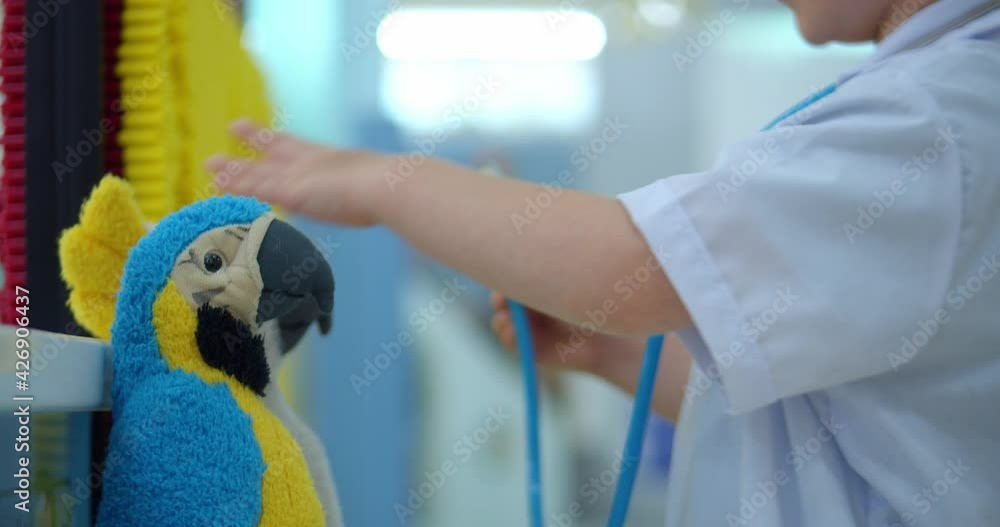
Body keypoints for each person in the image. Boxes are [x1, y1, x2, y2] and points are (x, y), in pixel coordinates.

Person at [206, 0, 1000, 524]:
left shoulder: (939, 114)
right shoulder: (937, 99)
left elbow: (633, 261)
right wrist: (608, 353)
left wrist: (383, 181)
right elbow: (830, 424)